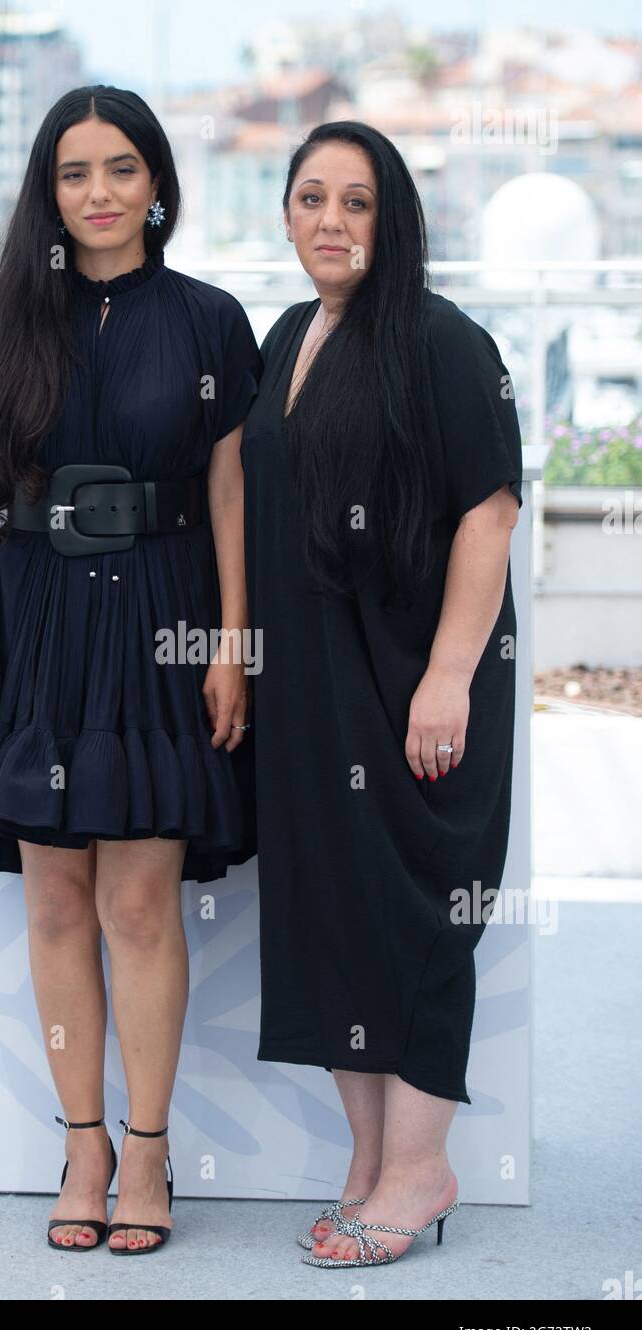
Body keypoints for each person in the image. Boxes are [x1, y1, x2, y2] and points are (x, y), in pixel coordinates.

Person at [0, 85, 262, 1256]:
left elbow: (231, 492)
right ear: (49, 192)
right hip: (35, 613)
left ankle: (149, 1152)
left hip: (160, 611)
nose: (98, 194)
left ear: (158, 187)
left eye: (122, 170)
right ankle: (82, 1142)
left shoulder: (206, 318)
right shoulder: (4, 312)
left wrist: (231, 642)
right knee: (53, 900)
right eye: (75, 173)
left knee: (138, 901)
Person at [241, 120, 523, 1268]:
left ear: (392, 219)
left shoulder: (446, 343)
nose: (330, 222)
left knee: (411, 915)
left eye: (356, 202)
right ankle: (369, 1162)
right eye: (311, 199)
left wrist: (449, 675)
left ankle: (420, 1168)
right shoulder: (283, 337)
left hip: (411, 676)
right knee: (328, 915)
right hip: (307, 684)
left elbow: (487, 510)